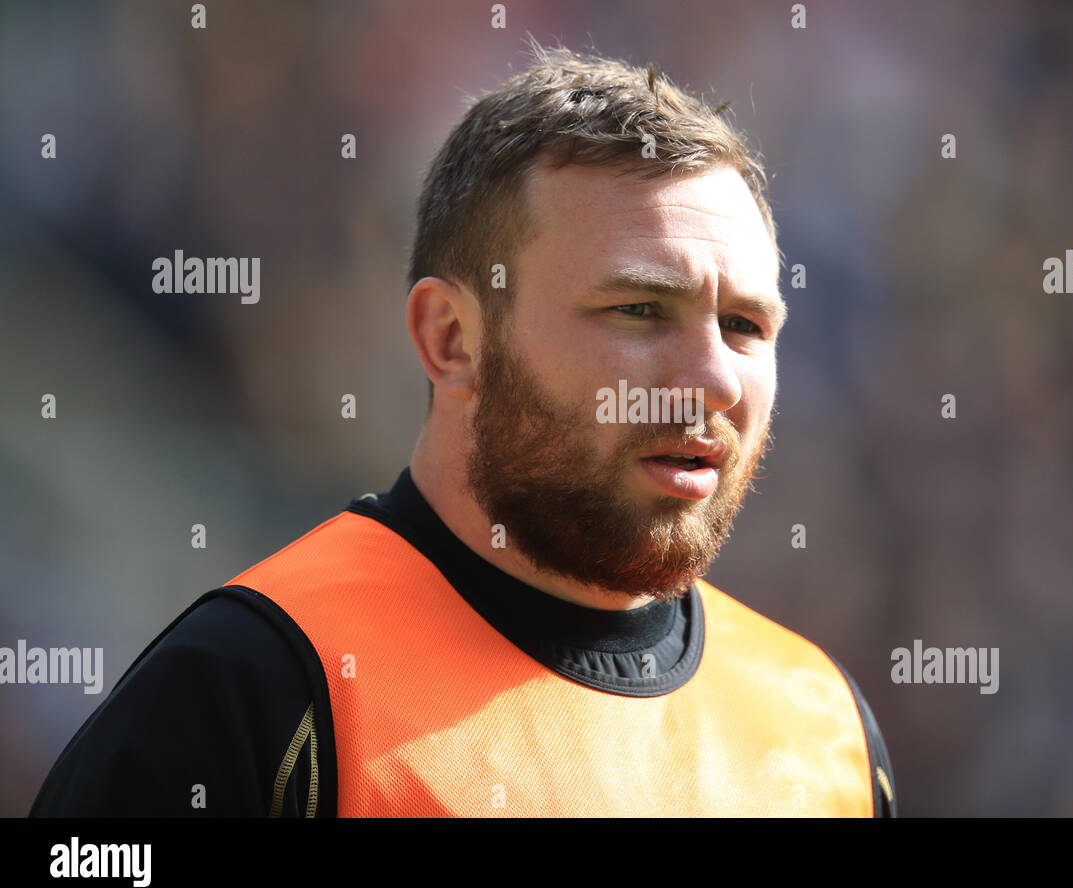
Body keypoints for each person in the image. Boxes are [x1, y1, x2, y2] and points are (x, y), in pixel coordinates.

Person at [30, 42, 896, 818]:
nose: (709, 377)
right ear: (452, 339)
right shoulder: (259, 691)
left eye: (746, 326)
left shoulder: (824, 730)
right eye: (638, 309)